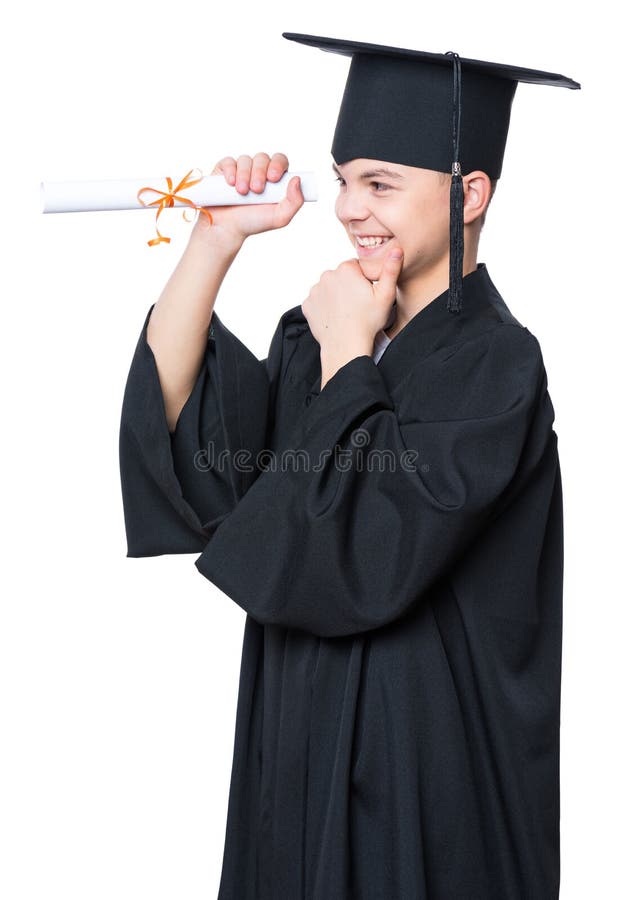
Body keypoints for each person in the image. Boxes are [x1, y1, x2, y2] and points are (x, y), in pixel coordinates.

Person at [119, 33, 579, 900]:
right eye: (342, 178)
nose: (345, 208)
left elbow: (362, 554)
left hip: (430, 786)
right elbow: (210, 477)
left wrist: (345, 354)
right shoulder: (326, 336)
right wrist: (214, 245)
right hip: (296, 757)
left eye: (379, 183)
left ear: (467, 194)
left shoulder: (494, 367)